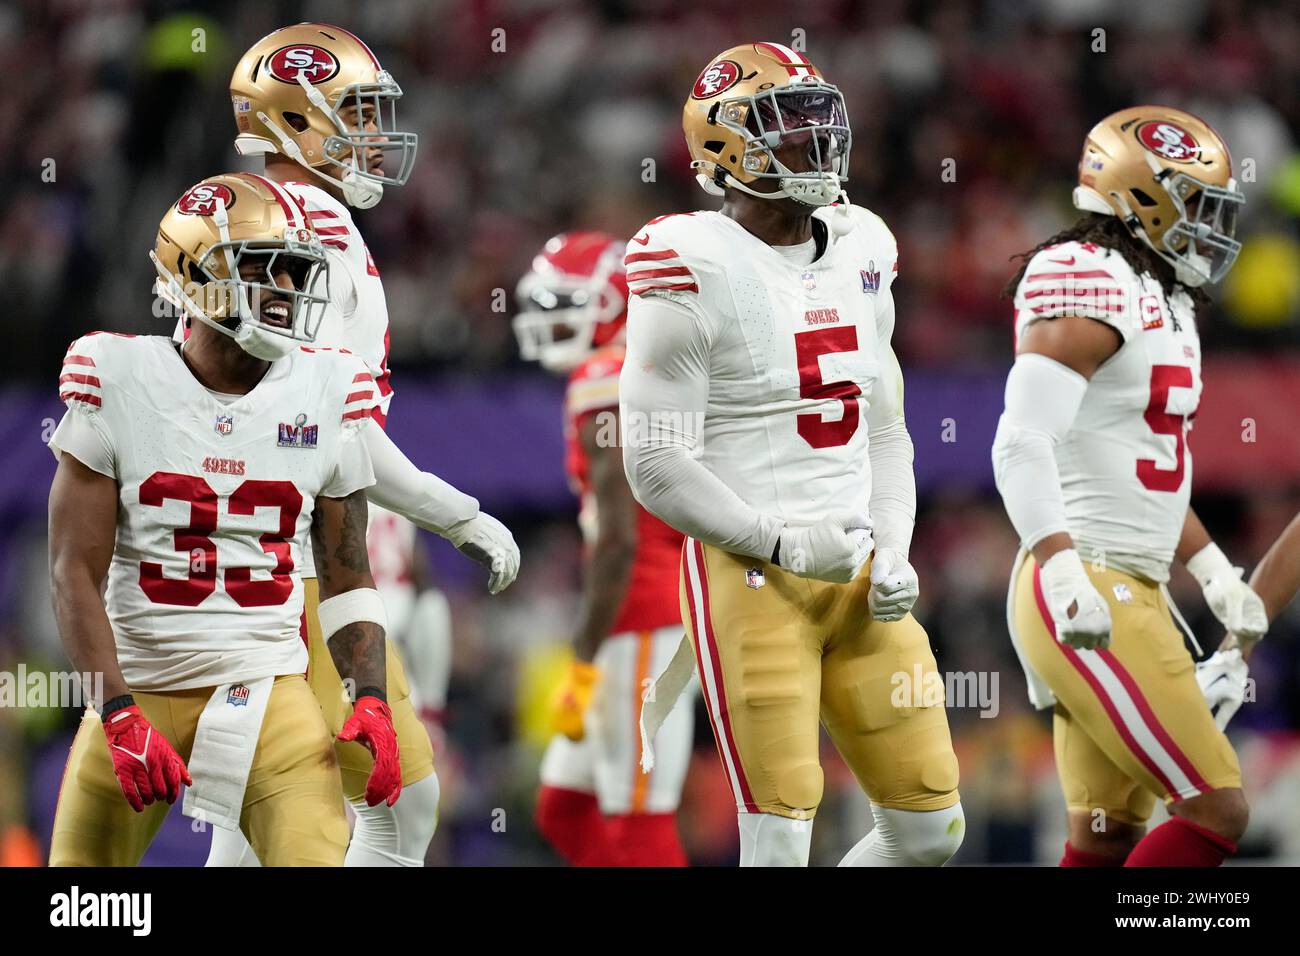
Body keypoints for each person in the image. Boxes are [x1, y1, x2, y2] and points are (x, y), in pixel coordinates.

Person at [620, 42, 964, 867]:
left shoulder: (863, 245)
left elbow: (885, 429)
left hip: (857, 576)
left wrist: (895, 548)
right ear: (725, 145)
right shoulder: (690, 258)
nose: (818, 140)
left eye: (820, 120)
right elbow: (653, 462)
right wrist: (780, 541)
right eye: (789, 123)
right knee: (778, 840)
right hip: (751, 577)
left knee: (930, 832)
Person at [203, 22, 519, 867]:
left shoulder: (257, 215)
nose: (376, 136)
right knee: (398, 800)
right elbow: (322, 427)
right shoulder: (305, 228)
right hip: (284, 556)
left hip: (252, 549)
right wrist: (453, 511)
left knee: (264, 802)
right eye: (358, 114)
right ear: (293, 120)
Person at [48, 174, 398, 866]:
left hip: (267, 691)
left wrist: (373, 697)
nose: (287, 291)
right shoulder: (118, 376)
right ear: (195, 276)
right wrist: (115, 710)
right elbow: (71, 572)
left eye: (294, 271)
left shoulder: (328, 389)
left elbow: (348, 573)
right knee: (79, 903)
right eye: (265, 270)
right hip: (141, 690)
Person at [993, 106, 1269, 867]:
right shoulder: (1086, 274)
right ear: (1139, 194)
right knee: (1217, 808)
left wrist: (1213, 572)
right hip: (1087, 582)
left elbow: (1144, 468)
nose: (1211, 226)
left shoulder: (1162, 293)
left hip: (1133, 584)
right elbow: (1021, 442)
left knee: (1105, 838)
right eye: (1196, 204)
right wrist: (1062, 571)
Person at [515, 232, 693, 866]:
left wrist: (583, 656)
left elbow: (618, 538)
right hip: (640, 610)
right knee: (564, 805)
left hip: (644, 611)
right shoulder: (639, 371)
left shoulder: (605, 378)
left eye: (565, 303)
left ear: (615, 302)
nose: (550, 320)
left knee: (639, 817)